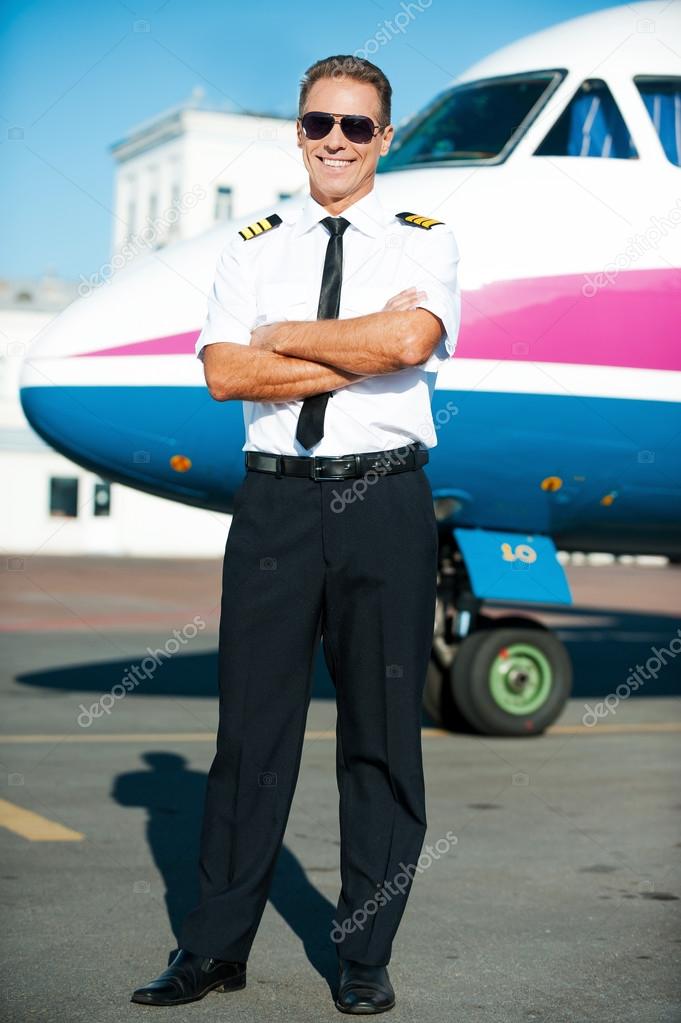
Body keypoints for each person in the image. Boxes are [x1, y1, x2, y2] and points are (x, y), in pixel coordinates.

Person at [131, 53, 461, 1015]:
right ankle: (213, 947)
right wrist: (334, 344)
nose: (335, 142)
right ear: (300, 128)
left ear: (384, 139)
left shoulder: (424, 239)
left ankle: (363, 955)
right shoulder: (254, 239)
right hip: (274, 505)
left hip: (386, 502)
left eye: (357, 127)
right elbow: (226, 377)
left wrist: (277, 334)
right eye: (320, 122)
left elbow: (407, 344)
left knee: (382, 736)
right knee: (251, 737)